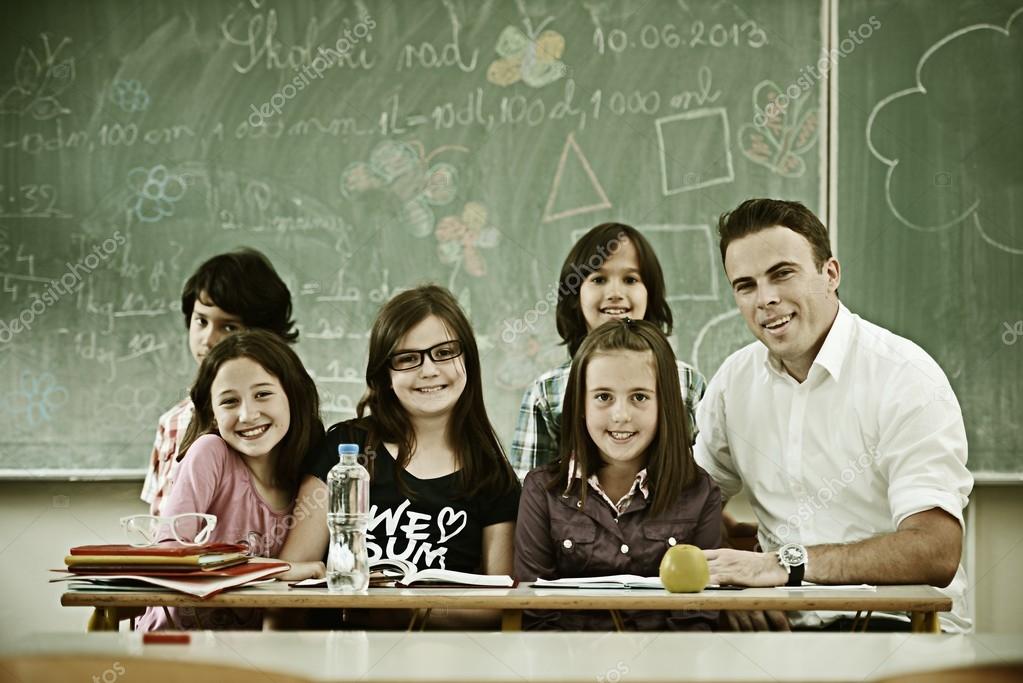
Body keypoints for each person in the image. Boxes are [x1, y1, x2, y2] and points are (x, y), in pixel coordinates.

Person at [694, 198, 973, 632]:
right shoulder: (734, 381)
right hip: (783, 630)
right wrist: (730, 583)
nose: (766, 299)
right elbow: (689, 510)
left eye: (782, 274)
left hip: (896, 626)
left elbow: (935, 551)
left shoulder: (905, 376)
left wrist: (788, 565)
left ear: (830, 274)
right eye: (745, 285)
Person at [278, 284, 521, 629]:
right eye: (407, 358)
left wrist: (408, 605)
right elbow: (293, 576)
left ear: (467, 358)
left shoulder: (492, 475)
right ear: (385, 375)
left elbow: (501, 606)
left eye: (444, 352)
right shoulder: (346, 449)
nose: (429, 370)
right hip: (338, 657)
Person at [515, 319, 722, 631]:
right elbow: (535, 613)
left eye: (639, 397)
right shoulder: (541, 491)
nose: (620, 415)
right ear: (581, 404)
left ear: (664, 404)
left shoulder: (699, 492)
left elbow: (699, 617)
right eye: (603, 397)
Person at [135, 329, 325, 631]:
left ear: (293, 394)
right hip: (175, 644)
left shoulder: (310, 477)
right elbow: (169, 555)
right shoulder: (210, 454)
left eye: (263, 394)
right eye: (229, 401)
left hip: (251, 653)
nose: (248, 414)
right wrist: (279, 570)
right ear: (211, 414)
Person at [510, 223, 706, 480]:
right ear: (576, 296)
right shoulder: (546, 393)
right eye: (599, 279)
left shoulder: (687, 383)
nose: (615, 293)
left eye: (630, 279)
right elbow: (529, 492)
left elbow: (707, 482)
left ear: (651, 292)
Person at [141, 248, 298, 515]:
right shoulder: (174, 423)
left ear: (265, 336)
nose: (207, 339)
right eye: (201, 321)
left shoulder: (286, 419)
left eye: (229, 327)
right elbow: (163, 528)